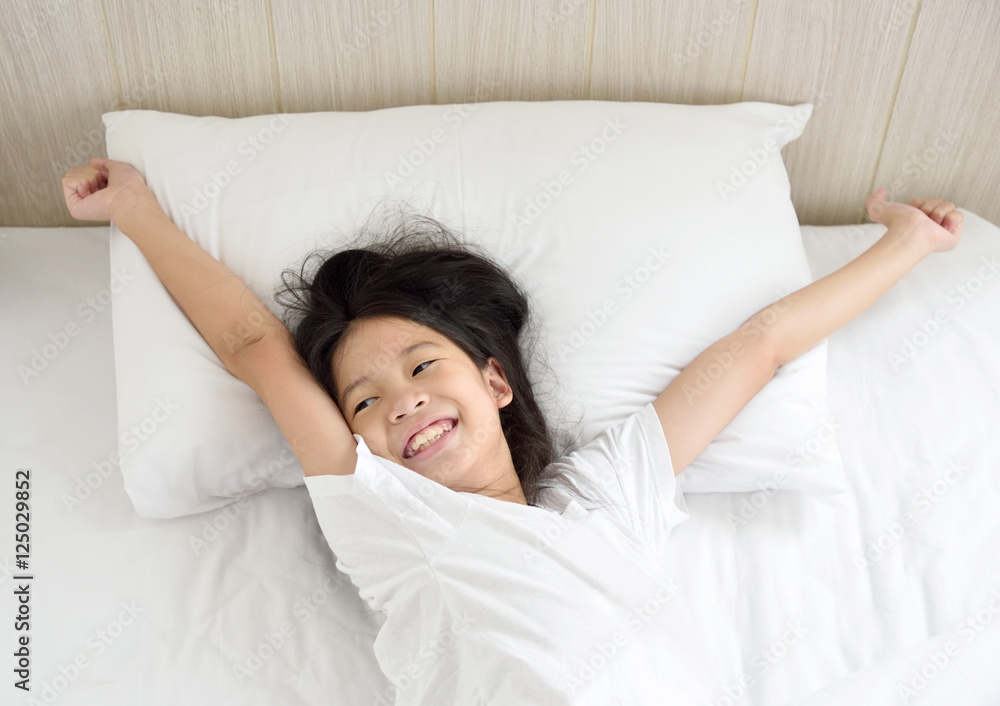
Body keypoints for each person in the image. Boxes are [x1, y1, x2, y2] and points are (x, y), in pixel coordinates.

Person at [62, 157, 963, 704]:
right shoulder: (386, 517)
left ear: (495, 381)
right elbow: (255, 344)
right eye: (364, 401)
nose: (400, 403)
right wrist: (135, 209)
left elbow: (760, 347)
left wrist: (907, 244)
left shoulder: (613, 491)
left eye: (422, 368)